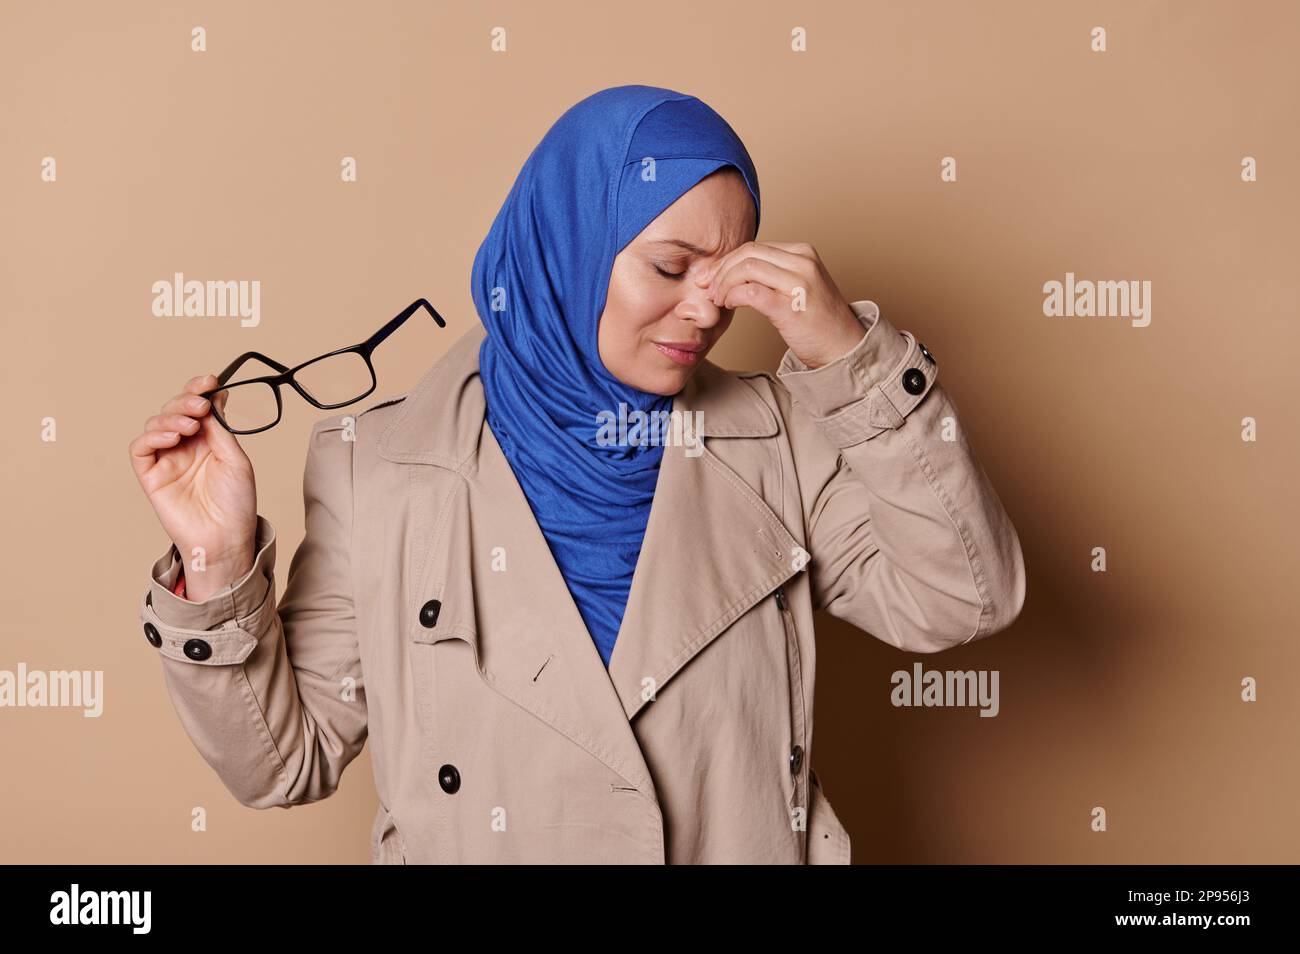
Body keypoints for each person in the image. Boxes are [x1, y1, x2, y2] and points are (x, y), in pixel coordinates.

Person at [127, 84, 1026, 864]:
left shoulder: (780, 443)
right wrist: (215, 565)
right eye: (671, 266)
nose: (707, 307)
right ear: (568, 245)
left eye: (731, 271)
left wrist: (855, 362)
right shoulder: (380, 470)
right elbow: (283, 763)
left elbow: (962, 599)